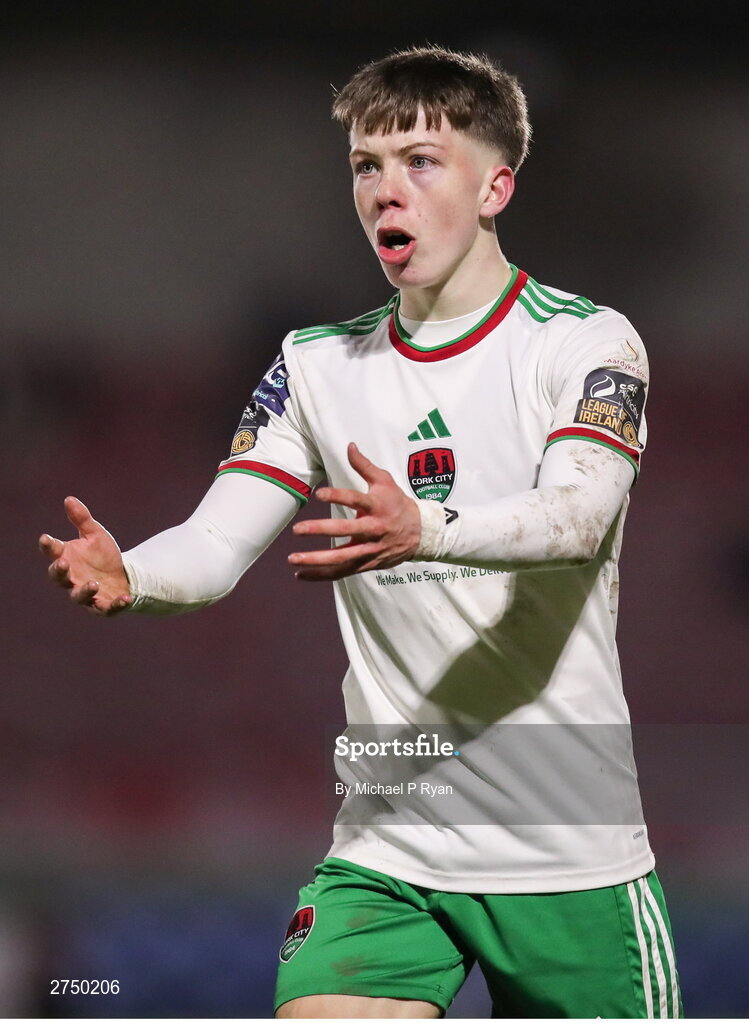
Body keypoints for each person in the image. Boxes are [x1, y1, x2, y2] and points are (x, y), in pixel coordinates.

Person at [39, 46, 682, 1019]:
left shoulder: (583, 343)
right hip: (390, 839)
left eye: (420, 160)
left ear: (494, 184)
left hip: (565, 844)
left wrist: (423, 526)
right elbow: (214, 547)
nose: (386, 190)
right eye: (365, 165)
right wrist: (133, 573)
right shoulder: (316, 365)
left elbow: (578, 515)